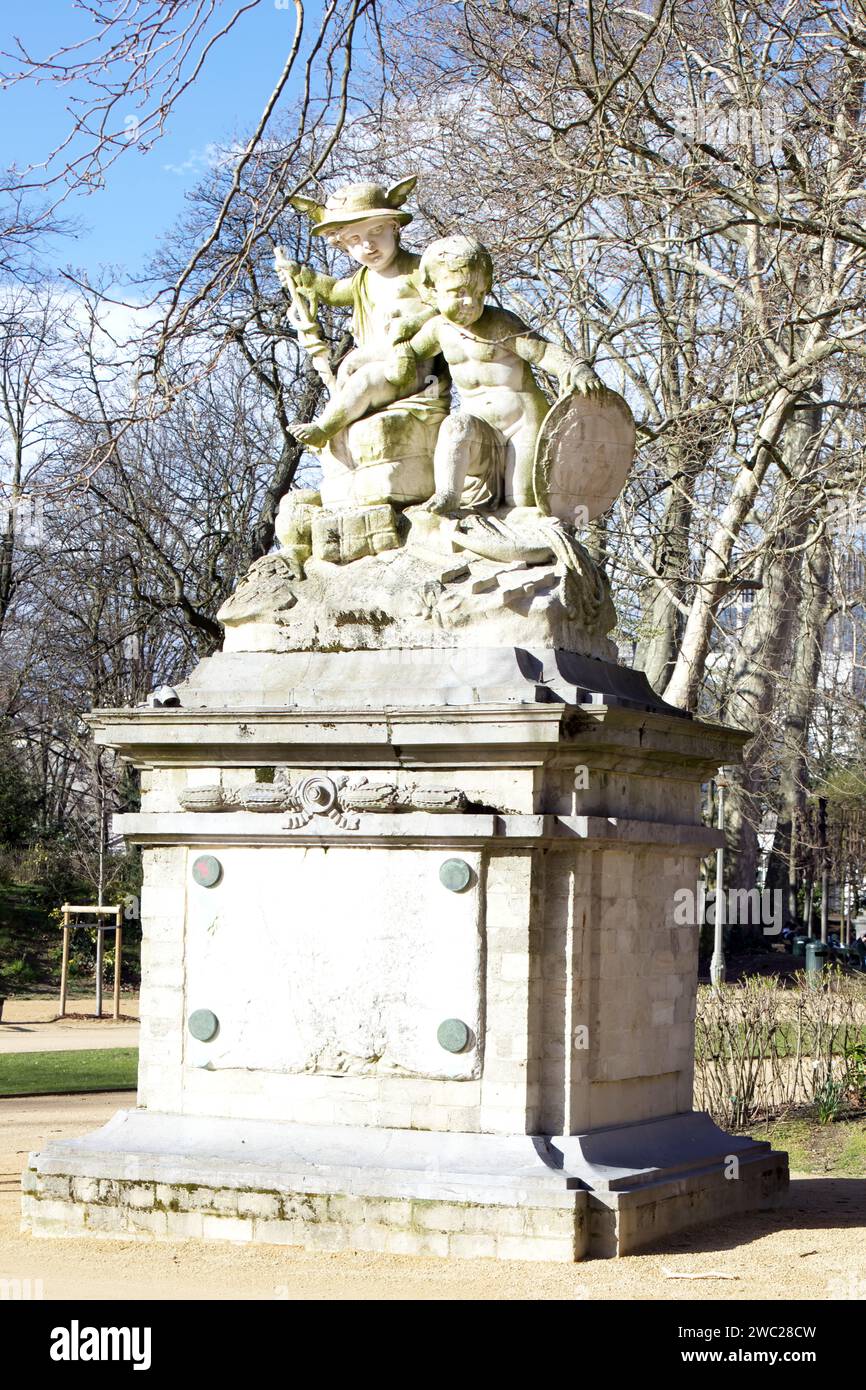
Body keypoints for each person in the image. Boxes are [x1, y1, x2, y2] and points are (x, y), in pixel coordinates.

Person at [275, 179, 442, 447]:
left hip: (412, 365)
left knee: (360, 377)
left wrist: (413, 323)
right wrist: (299, 274)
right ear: (342, 244)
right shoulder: (362, 279)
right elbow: (331, 291)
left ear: (394, 226)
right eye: (355, 239)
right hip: (376, 361)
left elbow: (443, 308)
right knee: (349, 374)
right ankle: (338, 425)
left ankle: (324, 428)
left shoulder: (417, 269)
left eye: (376, 231)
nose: (368, 245)